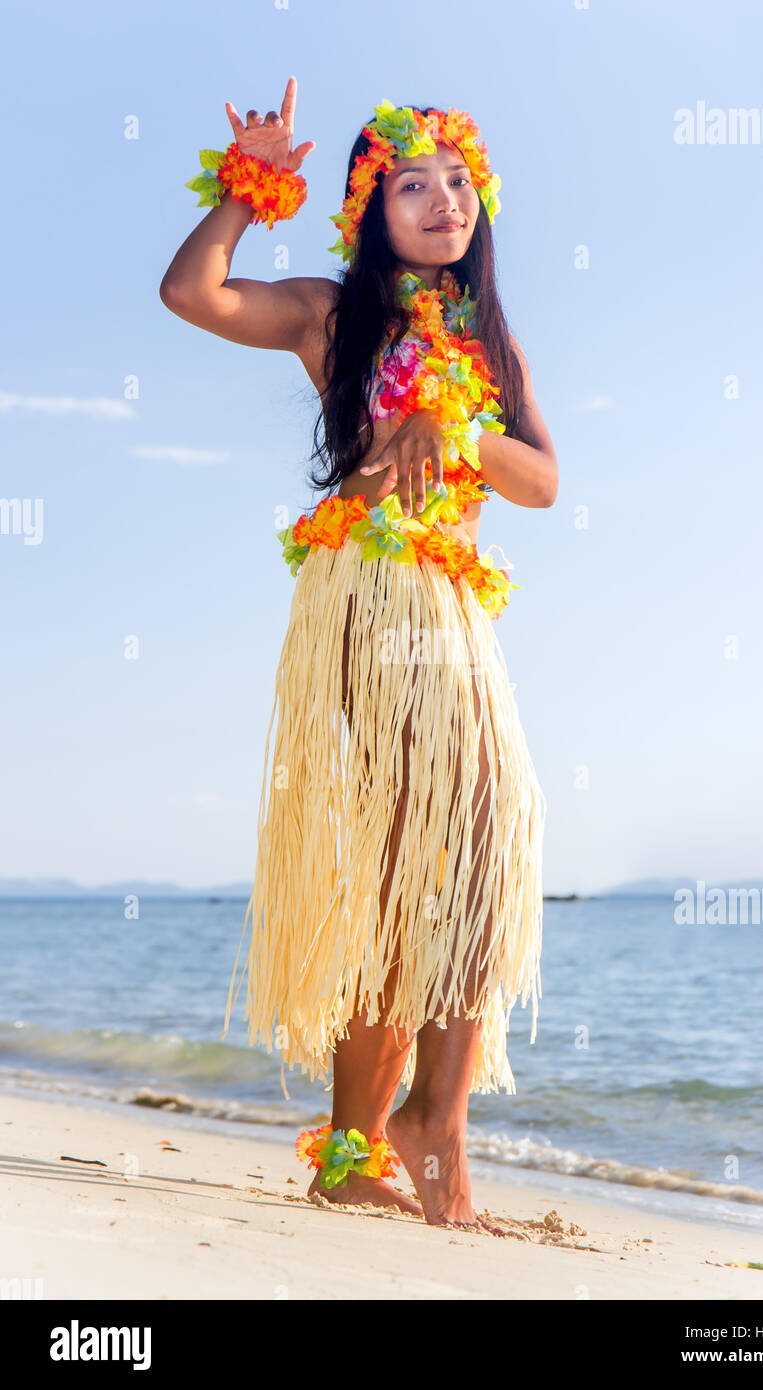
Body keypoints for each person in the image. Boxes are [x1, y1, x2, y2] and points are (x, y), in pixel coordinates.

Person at [160, 77, 558, 1234]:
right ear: (367, 213)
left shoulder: (488, 343)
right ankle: (427, 1130)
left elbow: (538, 481)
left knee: (423, 876)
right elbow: (192, 291)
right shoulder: (331, 317)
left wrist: (460, 429)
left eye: (456, 182)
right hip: (371, 595)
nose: (443, 201)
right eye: (410, 185)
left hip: (453, 600)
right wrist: (247, 185)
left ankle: (356, 1148)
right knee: (475, 839)